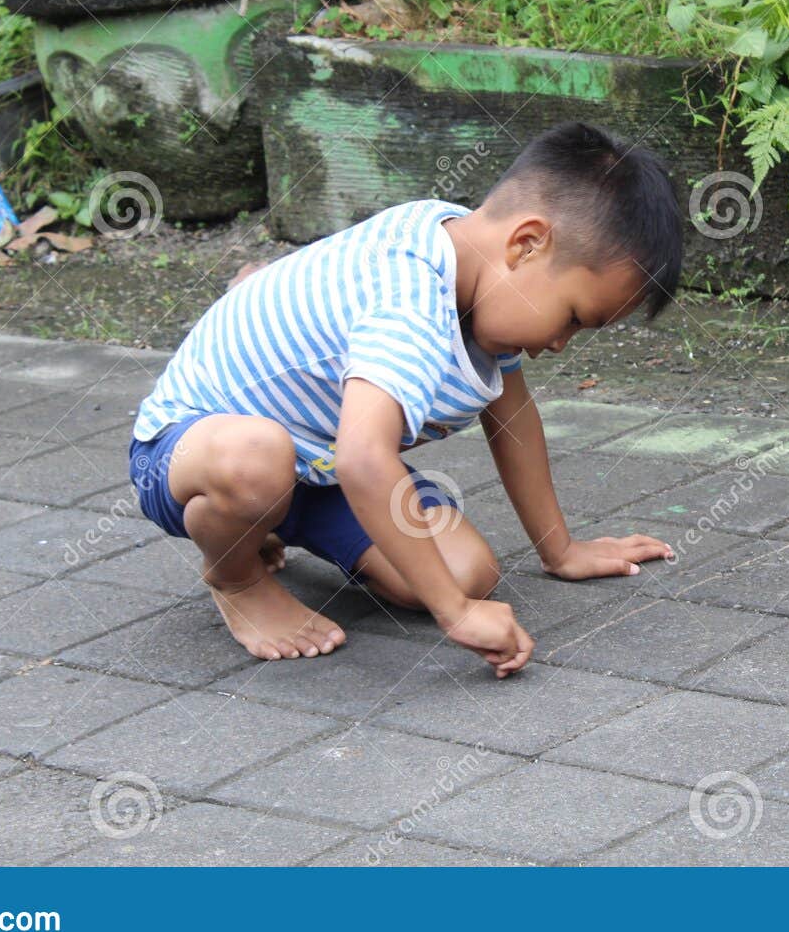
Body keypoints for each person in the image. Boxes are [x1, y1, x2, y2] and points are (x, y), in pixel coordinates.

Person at [128, 122, 683, 678]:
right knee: (255, 459)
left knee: (467, 569)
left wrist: (558, 550)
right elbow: (365, 459)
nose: (559, 345)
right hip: (186, 452)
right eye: (572, 319)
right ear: (526, 244)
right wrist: (456, 614)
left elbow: (511, 415)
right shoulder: (409, 296)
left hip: (317, 470)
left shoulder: (478, 264)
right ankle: (236, 574)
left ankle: (266, 522)